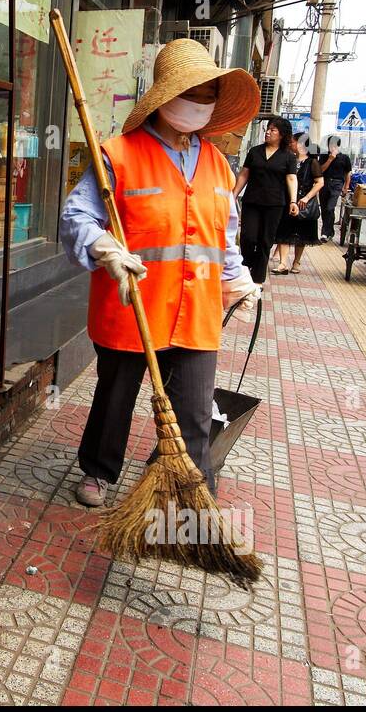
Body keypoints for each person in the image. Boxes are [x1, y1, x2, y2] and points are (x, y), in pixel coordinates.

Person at [60, 38, 262, 507]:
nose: (201, 105)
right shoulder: (119, 153)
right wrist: (105, 246)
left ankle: (185, 489)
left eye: (209, 96)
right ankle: (98, 470)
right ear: (165, 97)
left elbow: (224, 234)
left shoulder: (217, 163)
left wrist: (238, 280)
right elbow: (77, 217)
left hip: (196, 311)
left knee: (193, 409)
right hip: (134, 308)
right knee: (117, 397)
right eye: (193, 94)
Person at [234, 116, 298, 283]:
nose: (268, 132)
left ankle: (257, 280)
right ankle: (247, 267)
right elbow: (244, 175)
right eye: (267, 129)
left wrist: (293, 201)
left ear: (282, 135)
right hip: (252, 202)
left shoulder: (288, 156)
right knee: (248, 238)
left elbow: (291, 179)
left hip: (275, 204)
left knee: (265, 241)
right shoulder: (255, 151)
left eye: (273, 130)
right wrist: (232, 195)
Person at [272, 134, 324, 273]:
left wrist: (306, 198)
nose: (290, 143)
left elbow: (320, 182)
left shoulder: (312, 162)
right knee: (284, 232)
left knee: (302, 234)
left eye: (293, 141)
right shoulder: (289, 159)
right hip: (287, 201)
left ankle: (296, 262)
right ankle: (283, 263)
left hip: (303, 203)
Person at [317, 134, 351, 244]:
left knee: (330, 207)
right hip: (325, 183)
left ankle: (325, 233)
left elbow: (348, 173)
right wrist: (330, 159)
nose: (332, 146)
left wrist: (346, 187)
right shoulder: (324, 156)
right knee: (324, 208)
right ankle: (330, 231)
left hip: (337, 184)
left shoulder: (344, 157)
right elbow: (321, 170)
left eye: (334, 144)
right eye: (330, 144)